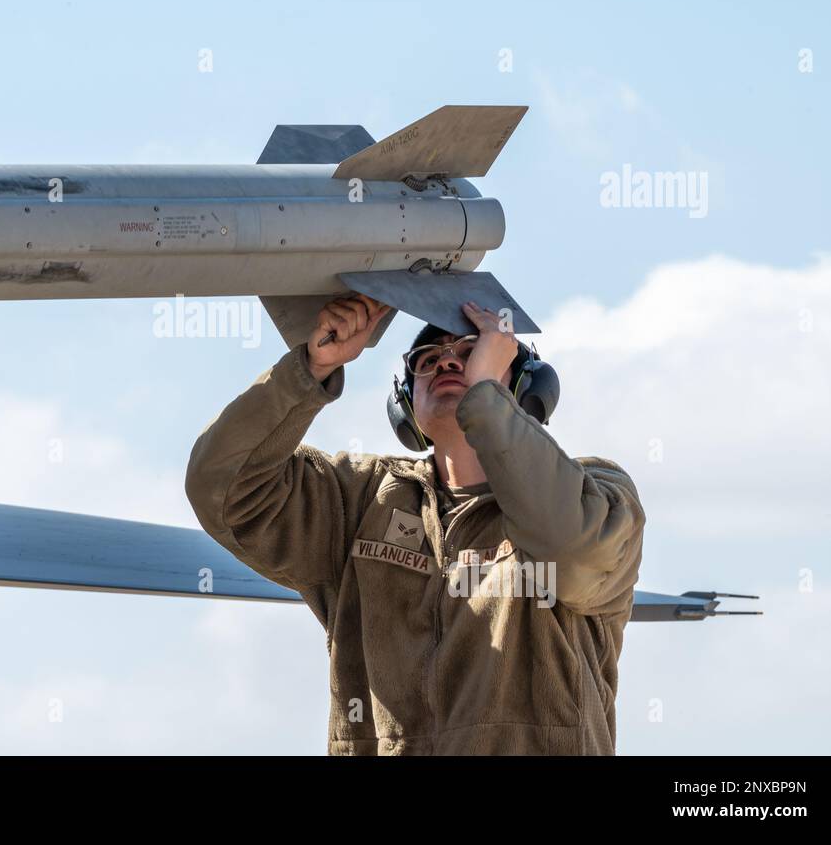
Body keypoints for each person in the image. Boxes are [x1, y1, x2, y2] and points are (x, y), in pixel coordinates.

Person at [184, 293, 645, 755]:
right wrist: (310, 369)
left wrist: (486, 395)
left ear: (524, 389)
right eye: (429, 360)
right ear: (404, 404)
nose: (447, 364)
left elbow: (575, 552)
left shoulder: (598, 495)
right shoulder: (361, 500)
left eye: (469, 353)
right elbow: (222, 490)